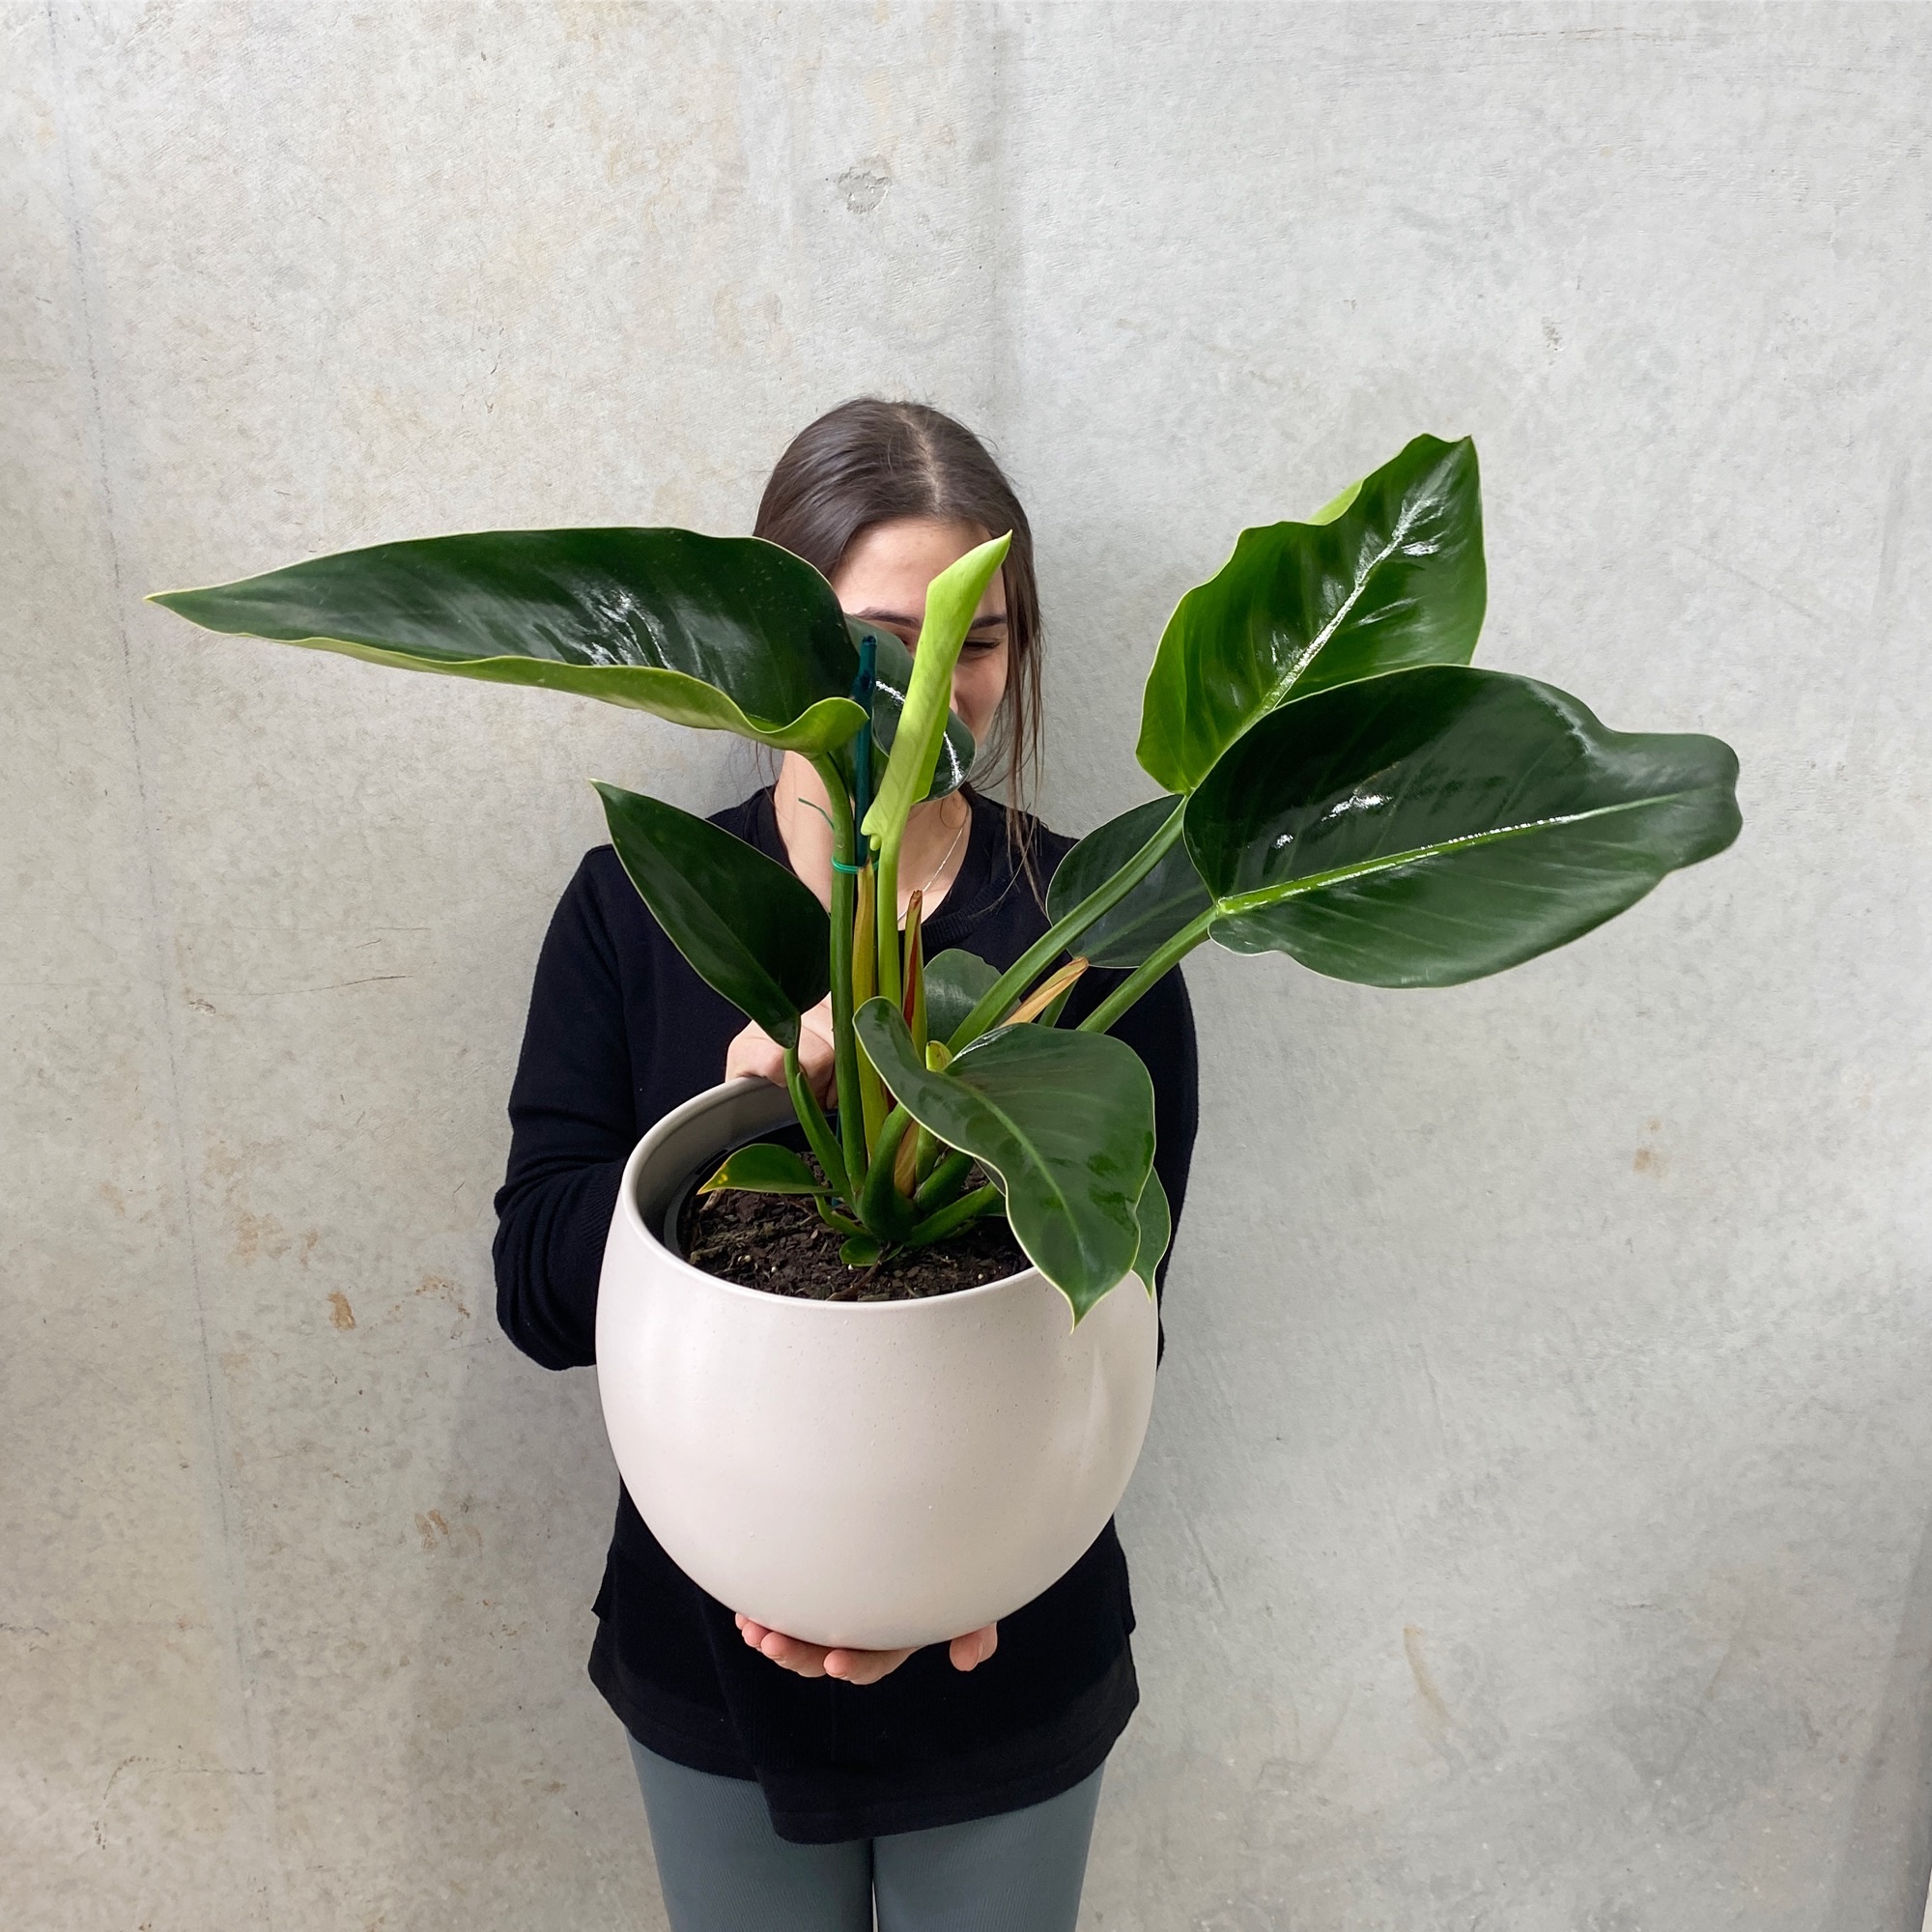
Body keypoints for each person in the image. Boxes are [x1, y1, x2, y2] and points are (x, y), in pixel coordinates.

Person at [494, 399, 1199, 1932]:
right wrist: (735, 1110)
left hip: (1008, 1638)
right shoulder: (637, 910)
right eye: (877, 636)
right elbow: (539, 1294)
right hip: (712, 1633)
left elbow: (1123, 1297)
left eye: (979, 640)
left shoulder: (1094, 933)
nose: (935, 683)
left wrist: (943, 1572)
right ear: (772, 646)